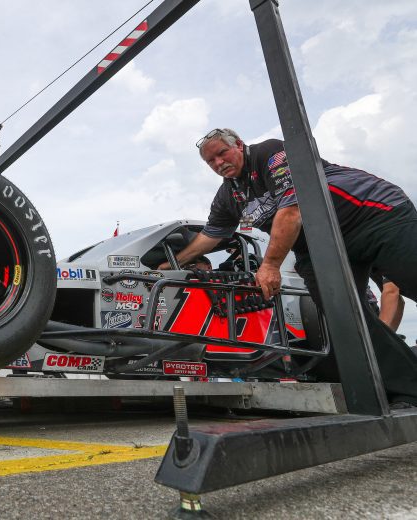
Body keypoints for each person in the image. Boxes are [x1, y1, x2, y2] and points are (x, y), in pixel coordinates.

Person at [165, 128, 417, 406]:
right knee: (343, 317)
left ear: (238, 144)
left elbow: (293, 210)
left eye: (221, 153)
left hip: (372, 214)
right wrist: (172, 263)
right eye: (210, 161)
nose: (218, 163)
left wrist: (270, 264)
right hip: (319, 244)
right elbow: (211, 236)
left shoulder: (270, 154)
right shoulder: (228, 196)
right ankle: (407, 389)